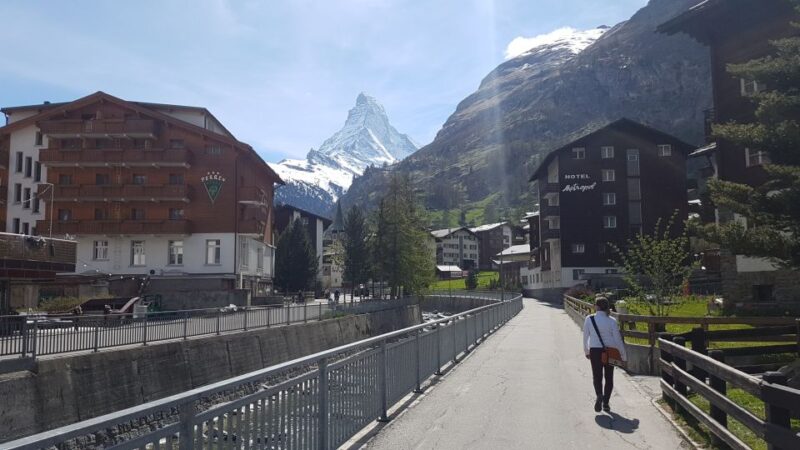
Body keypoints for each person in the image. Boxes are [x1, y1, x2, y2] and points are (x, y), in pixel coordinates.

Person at [583, 296, 627, 413]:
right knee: (609, 377)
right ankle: (606, 403)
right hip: (610, 351)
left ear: (596, 306)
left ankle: (599, 395)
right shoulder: (612, 321)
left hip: (595, 351)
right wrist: (623, 356)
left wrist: (586, 351)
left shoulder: (589, 319)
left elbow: (585, 336)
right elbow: (618, 340)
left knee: (597, 376)